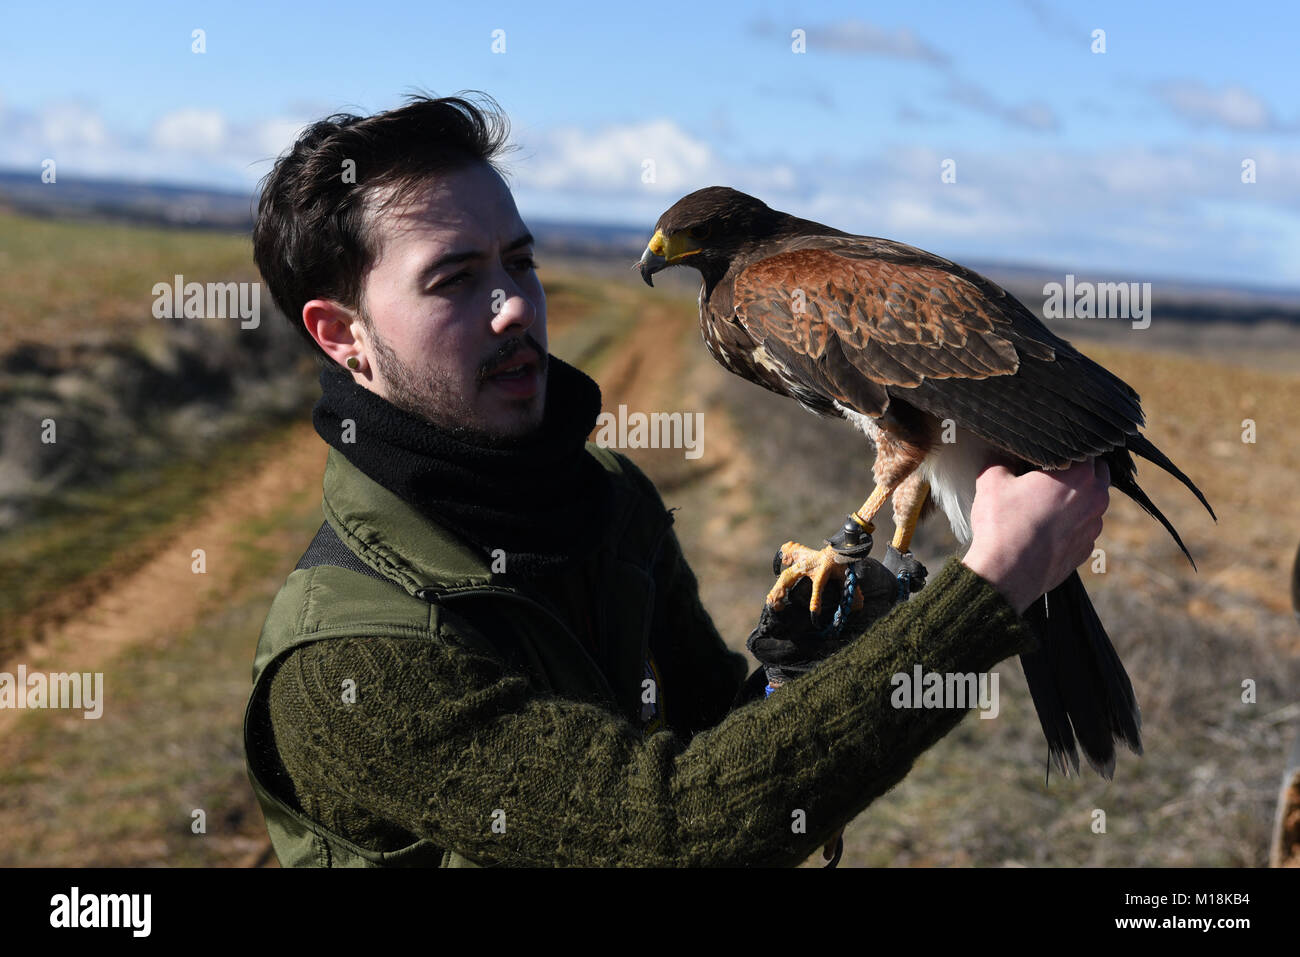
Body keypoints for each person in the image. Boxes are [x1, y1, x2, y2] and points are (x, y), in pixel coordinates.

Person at [243, 91, 1111, 867]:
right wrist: (988, 588)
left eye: (519, 262)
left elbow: (718, 749)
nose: (514, 305)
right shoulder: (346, 665)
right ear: (340, 334)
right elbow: (678, 832)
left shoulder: (606, 500)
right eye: (455, 280)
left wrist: (801, 681)